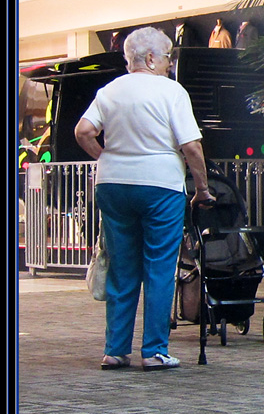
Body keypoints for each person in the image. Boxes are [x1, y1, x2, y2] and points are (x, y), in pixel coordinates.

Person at [74, 27, 213, 371]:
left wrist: (105, 156)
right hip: (160, 185)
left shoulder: (109, 91)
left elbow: (83, 131)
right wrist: (202, 188)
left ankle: (115, 350)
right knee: (159, 266)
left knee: (122, 267)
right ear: (151, 58)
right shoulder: (171, 91)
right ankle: (153, 350)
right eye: (167, 57)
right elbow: (191, 146)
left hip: (113, 186)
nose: (169, 64)